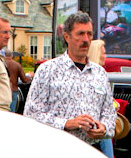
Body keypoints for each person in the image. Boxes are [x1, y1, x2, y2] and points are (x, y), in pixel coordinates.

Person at [24, 12, 115, 150]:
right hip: (56, 150)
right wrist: (66, 123)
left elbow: (109, 115)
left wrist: (103, 128)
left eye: (89, 34)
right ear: (67, 36)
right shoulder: (48, 70)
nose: (86, 39)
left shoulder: (100, 73)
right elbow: (31, 114)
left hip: (94, 152)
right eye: (80, 34)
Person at [86, 39, 115, 158]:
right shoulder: (91, 76)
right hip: (94, 127)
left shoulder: (102, 74)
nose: (105, 56)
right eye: (103, 53)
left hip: (101, 126)